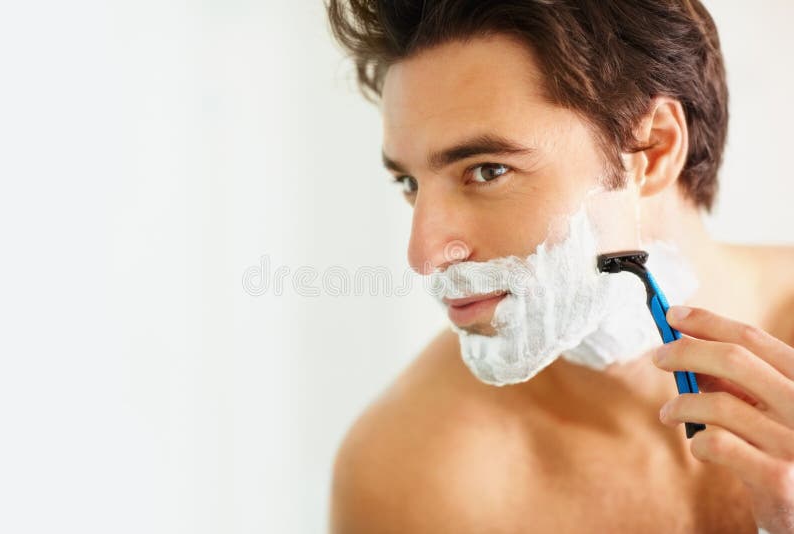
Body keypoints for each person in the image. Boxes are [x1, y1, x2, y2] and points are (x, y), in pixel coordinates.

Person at [324, 1, 794, 532]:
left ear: (655, 149)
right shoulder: (415, 473)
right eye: (409, 183)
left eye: (487, 170)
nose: (425, 255)